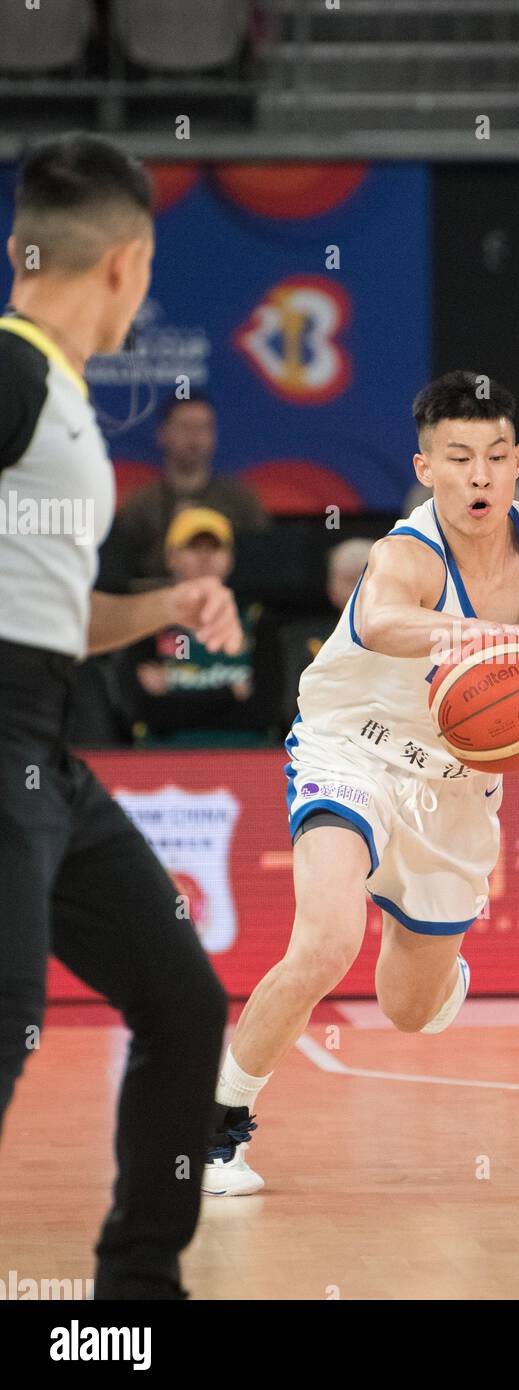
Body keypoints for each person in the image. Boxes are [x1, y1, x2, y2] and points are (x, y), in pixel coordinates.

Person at [202, 370, 519, 1195]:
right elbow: (379, 618)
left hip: (455, 786)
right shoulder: (406, 552)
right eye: (457, 458)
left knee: (410, 1011)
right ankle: (218, 1128)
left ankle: (438, 968)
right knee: (327, 940)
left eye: (493, 456)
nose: (478, 475)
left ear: (517, 461)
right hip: (354, 752)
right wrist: (482, 637)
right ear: (425, 467)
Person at [0, 133, 243, 1298]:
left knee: (184, 1002)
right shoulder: (13, 373)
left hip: (42, 740)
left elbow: (49, 612)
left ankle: (137, 1294)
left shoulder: (61, 400)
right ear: (131, 265)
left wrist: (168, 604)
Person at [118, 507, 283, 747]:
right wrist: (230, 694)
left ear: (230, 558)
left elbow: (265, 713)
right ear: (171, 557)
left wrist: (177, 699)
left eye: (215, 547)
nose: (205, 557)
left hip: (247, 765)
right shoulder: (147, 625)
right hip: (161, 766)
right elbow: (143, 713)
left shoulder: (259, 622)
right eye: (194, 547)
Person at [112, 392, 268, 579]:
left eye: (203, 427)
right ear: (163, 434)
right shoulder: (142, 503)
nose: (194, 437)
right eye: (185, 427)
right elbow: (125, 572)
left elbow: (263, 565)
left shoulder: (240, 500)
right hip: (157, 601)